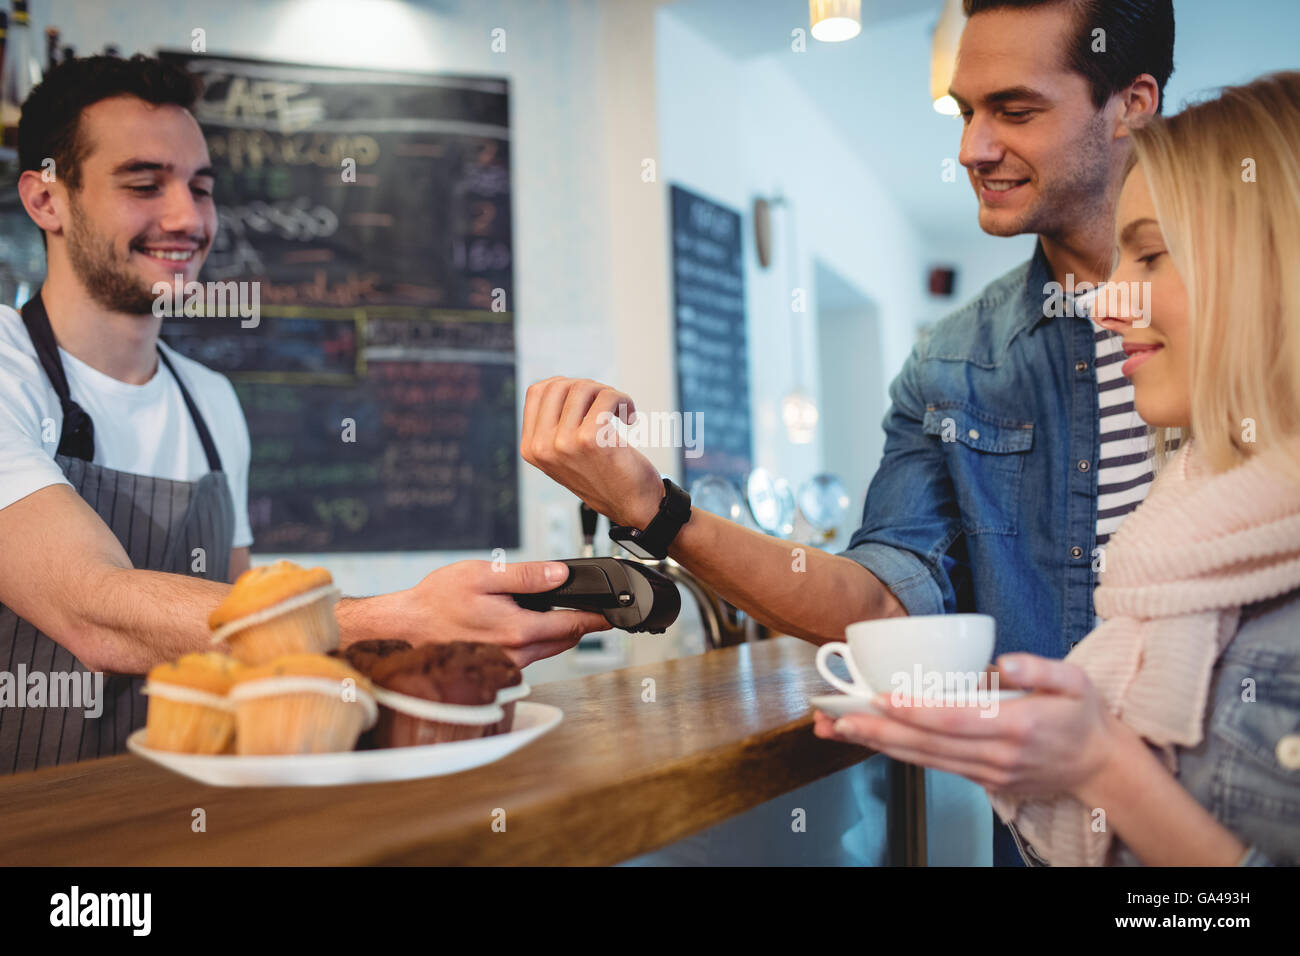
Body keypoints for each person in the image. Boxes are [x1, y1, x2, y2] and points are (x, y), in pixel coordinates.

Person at [520, 0, 1174, 865]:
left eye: (1014, 110)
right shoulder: (950, 362)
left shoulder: (1261, 305)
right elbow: (879, 600)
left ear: (1132, 101)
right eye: (964, 111)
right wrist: (654, 508)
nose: (971, 148)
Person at [0, 55, 606, 775]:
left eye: (200, 186)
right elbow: (91, 608)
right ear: (46, 201)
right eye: (144, 184)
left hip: (193, 813)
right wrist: (390, 620)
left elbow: (252, 650)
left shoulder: (212, 402)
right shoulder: (11, 368)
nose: (187, 218)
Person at [816, 71, 1300, 866]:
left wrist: (1103, 765)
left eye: (1151, 256)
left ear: (1270, 265)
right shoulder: (1185, 530)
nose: (1107, 305)